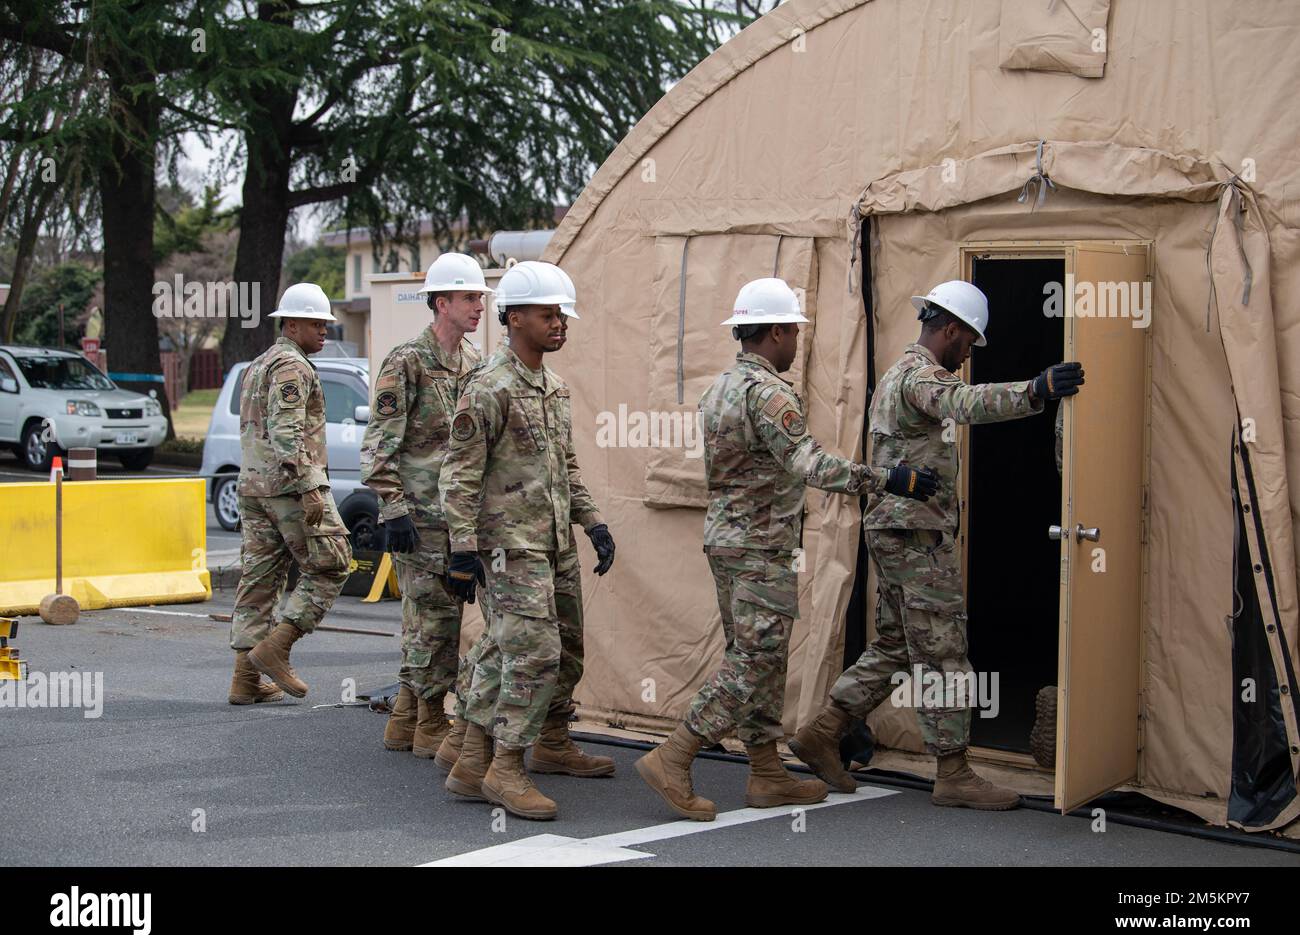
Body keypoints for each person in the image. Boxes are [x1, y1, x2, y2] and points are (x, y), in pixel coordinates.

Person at [634, 277, 938, 822]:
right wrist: (888, 478)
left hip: (728, 542)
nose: (797, 340)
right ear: (775, 331)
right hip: (760, 548)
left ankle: (766, 771)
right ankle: (674, 754)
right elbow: (811, 464)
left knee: (761, 662)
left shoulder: (721, 387)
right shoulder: (770, 393)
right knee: (754, 663)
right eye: (794, 329)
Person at [789, 280, 1084, 810]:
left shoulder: (897, 374)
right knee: (944, 652)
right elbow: (963, 402)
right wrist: (1035, 390)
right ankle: (953, 771)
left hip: (894, 530)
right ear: (949, 330)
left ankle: (823, 731)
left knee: (895, 647)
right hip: (916, 537)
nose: (968, 354)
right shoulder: (923, 375)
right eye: (968, 342)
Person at [439, 261, 615, 820]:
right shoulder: (488, 388)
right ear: (514, 319)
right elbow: (459, 475)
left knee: (554, 650)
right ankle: (504, 768)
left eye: (562, 315)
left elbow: (565, 467)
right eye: (548, 314)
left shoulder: (555, 388)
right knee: (533, 654)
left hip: (554, 543)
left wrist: (593, 522)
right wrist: (463, 549)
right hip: (507, 547)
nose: (560, 324)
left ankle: (483, 755)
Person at [361, 252, 490, 757]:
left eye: (479, 297)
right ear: (441, 303)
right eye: (468, 297)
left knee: (441, 617)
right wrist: (391, 509)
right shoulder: (407, 361)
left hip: (457, 515)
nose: (478, 306)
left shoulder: (476, 363)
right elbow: (378, 443)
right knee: (430, 617)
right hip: (416, 515)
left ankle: (406, 716)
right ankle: (430, 719)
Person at [229, 283, 352, 702]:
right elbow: (286, 433)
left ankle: (245, 680)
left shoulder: (259, 363)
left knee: (260, 581)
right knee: (334, 563)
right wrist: (310, 486)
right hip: (288, 488)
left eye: (326, 324)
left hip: (254, 488)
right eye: (317, 324)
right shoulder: (292, 367)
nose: (324, 332)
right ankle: (278, 647)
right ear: (291, 323)